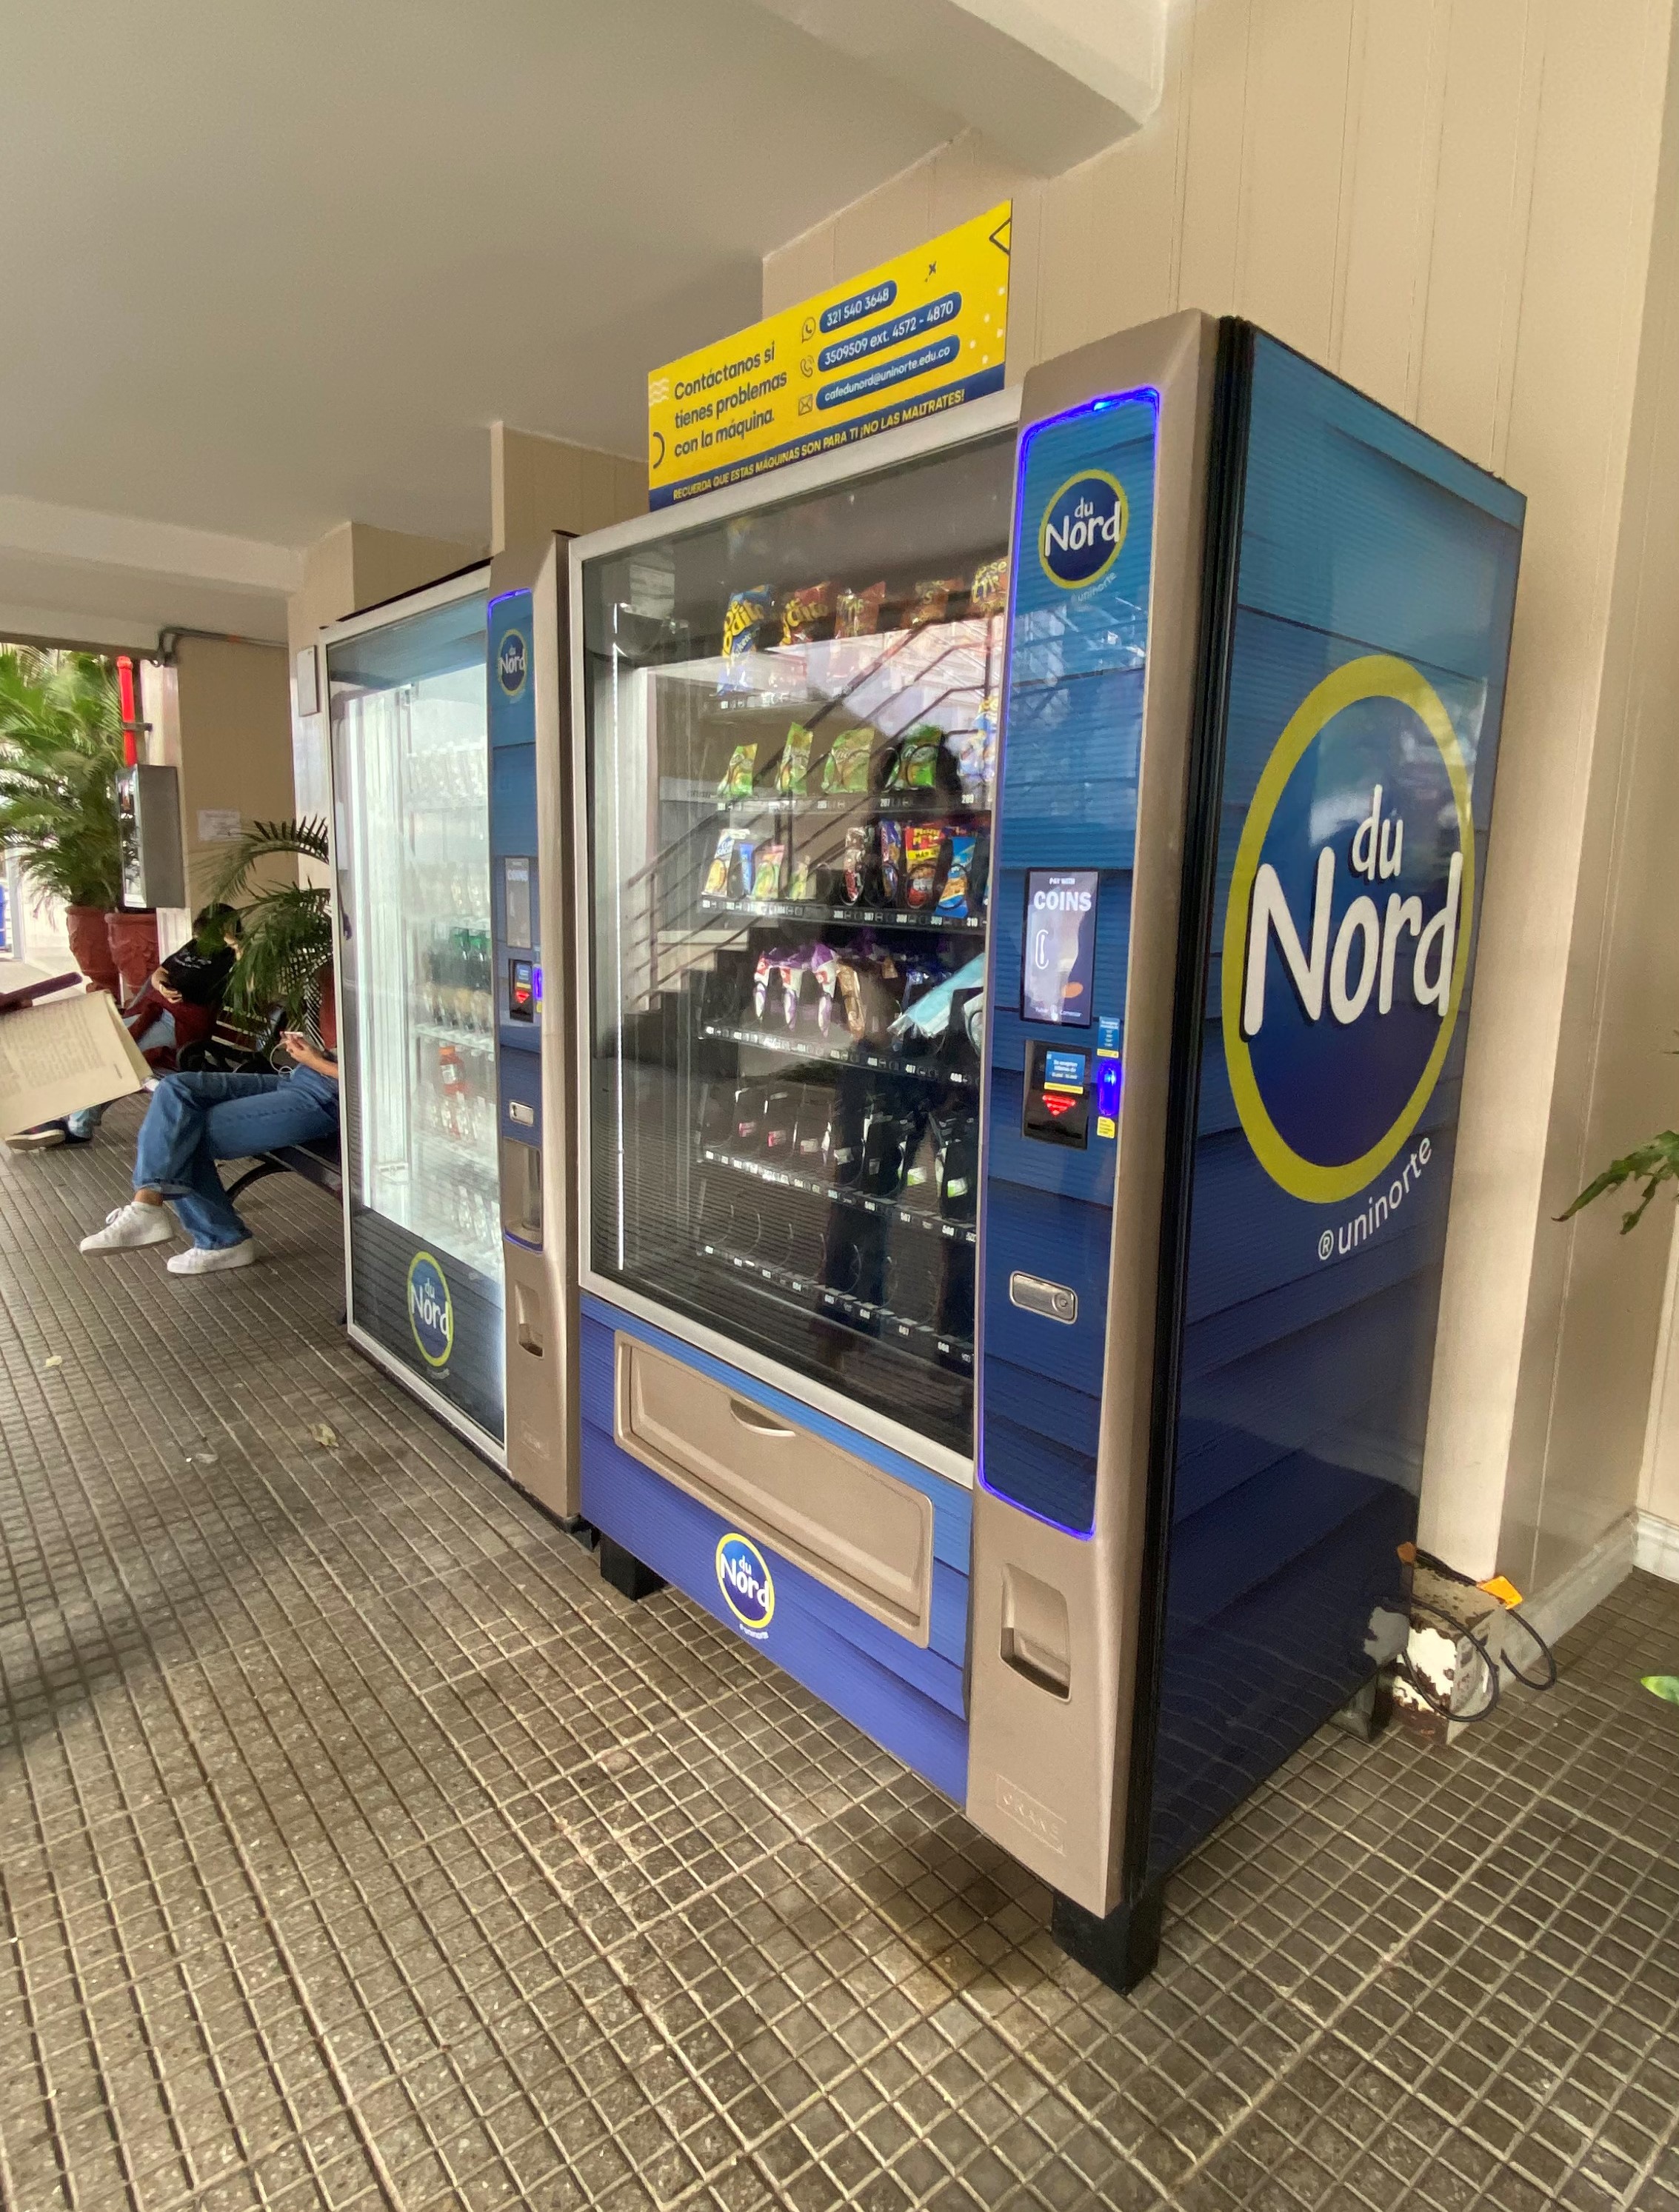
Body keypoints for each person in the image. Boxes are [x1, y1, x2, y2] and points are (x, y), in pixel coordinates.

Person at [78, 966, 338, 1275]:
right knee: (177, 1088)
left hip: (325, 1097)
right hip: (299, 1078)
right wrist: (312, 1055)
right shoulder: (345, 977)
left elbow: (372, 1078)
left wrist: (316, 1061)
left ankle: (219, 1239)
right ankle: (147, 1207)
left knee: (186, 1131)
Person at [7, 903, 244, 1152]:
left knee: (117, 1057)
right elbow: (160, 972)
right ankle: (61, 1116)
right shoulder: (194, 947)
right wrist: (163, 986)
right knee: (96, 1042)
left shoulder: (233, 956)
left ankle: (78, 1126)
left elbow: (247, 980)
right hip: (155, 1011)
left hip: (180, 1025)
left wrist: (234, 943)